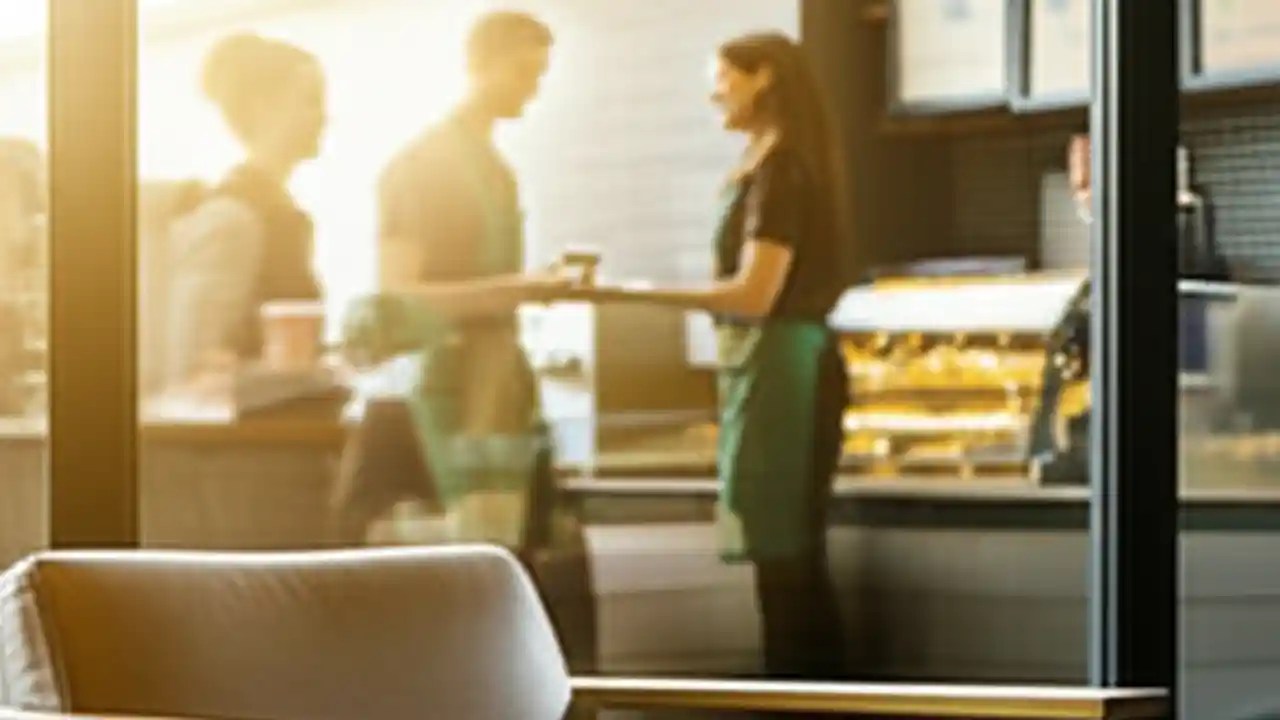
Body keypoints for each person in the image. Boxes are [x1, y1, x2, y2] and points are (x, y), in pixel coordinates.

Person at [569, 32, 849, 684]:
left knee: (790, 564)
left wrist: (630, 294)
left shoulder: (784, 171)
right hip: (765, 369)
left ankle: (805, 695)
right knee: (782, 562)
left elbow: (754, 294)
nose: (712, 92)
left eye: (723, 78)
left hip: (786, 373)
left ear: (765, 77)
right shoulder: (766, 162)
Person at [335, 11, 596, 673]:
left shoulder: (495, 169)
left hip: (498, 393)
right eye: (524, 72)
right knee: (462, 581)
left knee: (514, 573)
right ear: (480, 62)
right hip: (441, 397)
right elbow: (401, 291)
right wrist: (523, 286)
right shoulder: (419, 167)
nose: (532, 91)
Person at [164, 33, 327, 389]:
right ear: (262, 107)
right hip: (245, 439)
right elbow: (192, 368)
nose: (324, 117)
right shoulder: (232, 218)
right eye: (311, 101)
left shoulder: (283, 216)